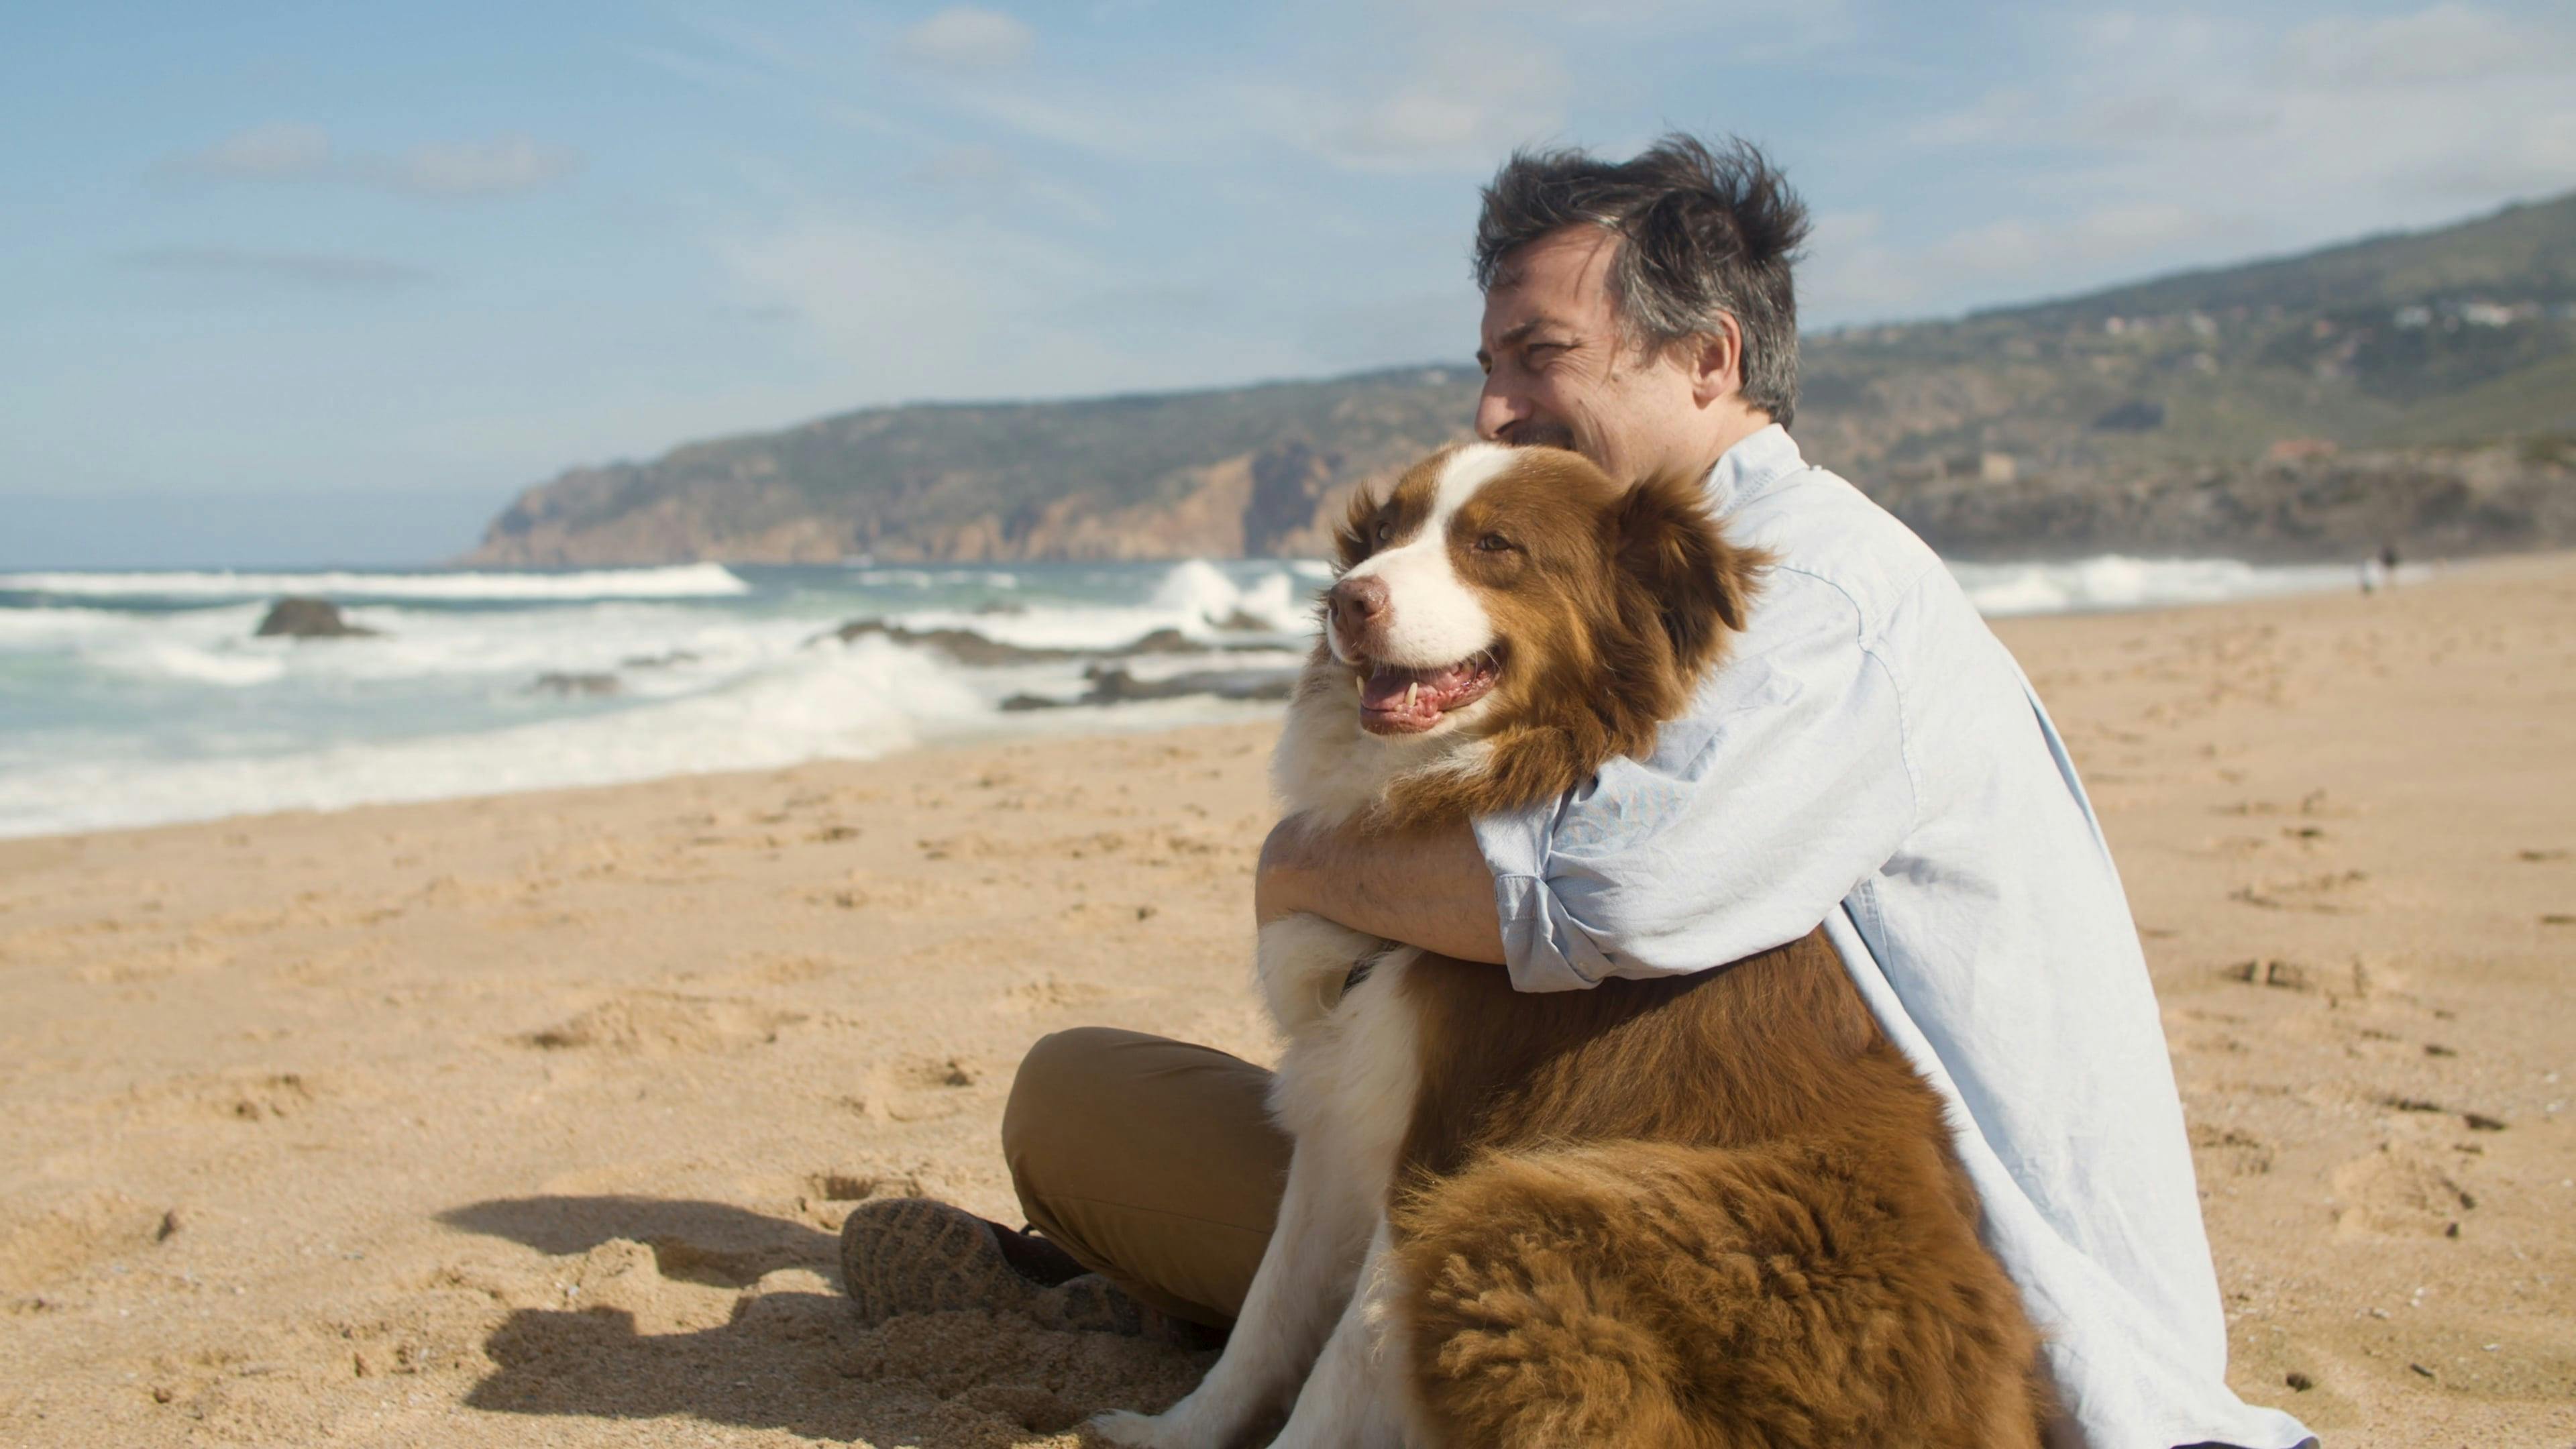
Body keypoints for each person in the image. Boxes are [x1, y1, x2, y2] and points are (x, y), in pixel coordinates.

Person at [841, 135, 2314, 1449]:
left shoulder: (1803, 592)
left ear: (1710, 362)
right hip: (1604, 1165)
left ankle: (1198, 1316)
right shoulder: (1634, 553)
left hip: (1858, 1299)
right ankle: (1182, 1307)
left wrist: (1302, 865)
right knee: (1085, 1096)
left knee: (1153, 1142)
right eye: (1490, 364)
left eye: (1540, 355)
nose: (1496, 405)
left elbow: (1605, 894)